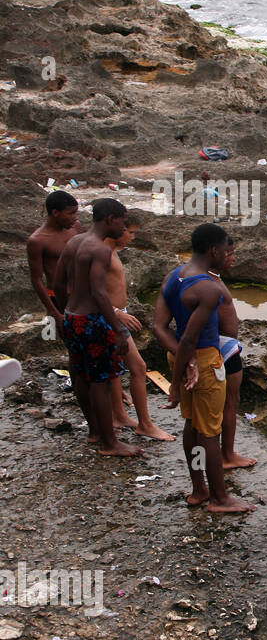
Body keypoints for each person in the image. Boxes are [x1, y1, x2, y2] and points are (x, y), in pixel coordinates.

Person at [152, 223, 254, 513]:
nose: (227, 255)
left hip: (183, 358)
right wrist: (177, 379)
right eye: (225, 250)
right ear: (214, 250)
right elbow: (188, 339)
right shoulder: (208, 289)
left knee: (192, 425)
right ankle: (220, 499)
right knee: (210, 431)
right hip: (204, 361)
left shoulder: (175, 276)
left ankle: (199, 489)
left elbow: (160, 327)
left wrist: (181, 362)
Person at [50, 198, 141, 457]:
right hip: (92, 321)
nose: (124, 229)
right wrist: (115, 329)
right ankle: (110, 443)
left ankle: (94, 431)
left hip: (72, 317)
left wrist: (65, 314)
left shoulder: (75, 242)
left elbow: (57, 284)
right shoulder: (99, 249)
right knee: (100, 380)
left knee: (79, 374)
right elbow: (100, 295)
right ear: (110, 219)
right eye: (123, 222)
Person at [104, 213, 174, 441]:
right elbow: (89, 289)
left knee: (113, 367)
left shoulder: (110, 251)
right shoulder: (102, 253)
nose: (133, 238)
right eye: (130, 232)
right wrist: (116, 313)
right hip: (110, 316)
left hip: (114, 314)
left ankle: (120, 415)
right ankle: (145, 423)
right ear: (117, 228)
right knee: (138, 367)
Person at [209, 241, 256, 470]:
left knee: (224, 402)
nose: (233, 258)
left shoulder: (206, 277)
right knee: (230, 401)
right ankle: (227, 455)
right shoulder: (209, 282)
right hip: (222, 348)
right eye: (230, 254)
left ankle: (225, 452)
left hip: (221, 345)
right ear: (214, 252)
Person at [26, 189, 80, 325]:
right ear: (55, 213)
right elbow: (36, 279)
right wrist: (53, 312)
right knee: (66, 340)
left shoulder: (75, 228)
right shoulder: (37, 240)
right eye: (71, 213)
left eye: (76, 212)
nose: (75, 217)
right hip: (57, 298)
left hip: (80, 293)